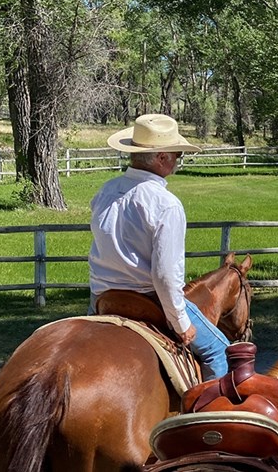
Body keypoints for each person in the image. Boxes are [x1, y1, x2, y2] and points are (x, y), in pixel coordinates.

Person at [88, 113, 228, 380]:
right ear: (162, 158)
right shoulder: (165, 204)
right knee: (219, 350)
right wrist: (180, 322)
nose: (177, 161)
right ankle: (210, 418)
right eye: (177, 155)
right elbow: (164, 275)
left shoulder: (105, 191)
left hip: (104, 299)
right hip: (148, 299)